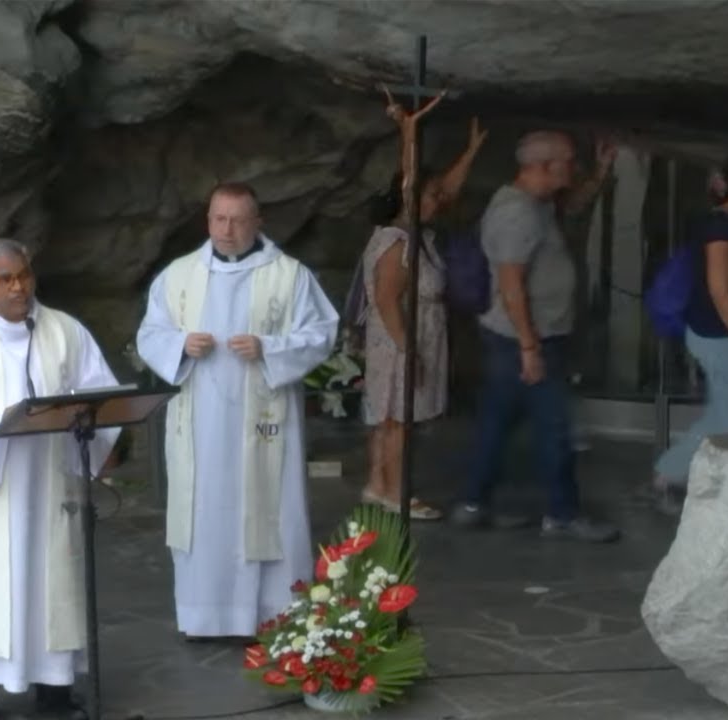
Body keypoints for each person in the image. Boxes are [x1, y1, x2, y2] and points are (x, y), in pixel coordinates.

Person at [0, 238, 120, 720]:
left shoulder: (65, 331)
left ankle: (54, 690)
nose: (19, 287)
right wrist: (2, 424)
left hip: (50, 483)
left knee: (51, 580)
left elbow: (102, 394)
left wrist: (91, 424)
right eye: (6, 279)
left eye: (24, 275)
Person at [135, 182, 339, 640]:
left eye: (237, 219)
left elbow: (321, 333)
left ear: (257, 221)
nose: (226, 230)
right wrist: (179, 344)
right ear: (207, 220)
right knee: (205, 511)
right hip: (200, 424)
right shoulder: (179, 275)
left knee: (269, 509)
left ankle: (276, 613)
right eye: (218, 218)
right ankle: (206, 615)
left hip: (264, 424)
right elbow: (151, 333)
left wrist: (270, 347)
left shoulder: (289, 275)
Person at [454, 130, 620, 542]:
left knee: (496, 423)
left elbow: (575, 205)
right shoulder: (518, 213)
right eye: (568, 161)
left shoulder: (537, 204)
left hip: (517, 340)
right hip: (525, 342)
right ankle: (563, 513)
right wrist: (530, 347)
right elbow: (511, 285)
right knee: (555, 427)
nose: (573, 167)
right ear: (543, 166)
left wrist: (601, 172)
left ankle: (473, 503)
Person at [360, 117, 489, 520]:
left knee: (389, 418)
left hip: (404, 337)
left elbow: (444, 190)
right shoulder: (397, 244)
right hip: (402, 338)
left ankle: (378, 485)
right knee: (399, 420)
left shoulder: (414, 236)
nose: (439, 201)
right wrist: (409, 350)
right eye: (429, 196)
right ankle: (395, 492)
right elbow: (386, 299)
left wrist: (470, 153)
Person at [652, 151, 728, 495]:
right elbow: (721, 292)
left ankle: (671, 474)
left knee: (724, 413)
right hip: (720, 336)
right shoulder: (723, 228)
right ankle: (671, 474)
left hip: (725, 334)